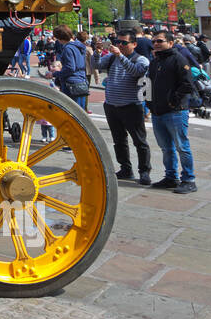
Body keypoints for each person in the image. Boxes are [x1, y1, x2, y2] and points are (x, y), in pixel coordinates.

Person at [147, 30, 198, 193]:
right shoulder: (155, 61)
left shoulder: (178, 59)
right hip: (158, 110)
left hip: (175, 111)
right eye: (154, 41)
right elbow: (148, 82)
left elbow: (187, 84)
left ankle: (189, 179)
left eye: (159, 41)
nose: (156, 44)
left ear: (170, 43)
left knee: (181, 146)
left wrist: (173, 100)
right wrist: (149, 102)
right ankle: (170, 177)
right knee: (166, 147)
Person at [99, 35, 152, 184]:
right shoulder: (111, 58)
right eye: (118, 42)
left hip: (131, 106)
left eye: (124, 42)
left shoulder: (141, 59)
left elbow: (136, 72)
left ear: (134, 44)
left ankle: (144, 171)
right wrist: (96, 52)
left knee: (139, 141)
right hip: (112, 106)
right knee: (119, 140)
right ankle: (126, 169)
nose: (120, 45)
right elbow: (96, 65)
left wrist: (119, 55)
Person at [51, 25, 89, 109]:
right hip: (82, 82)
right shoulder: (79, 47)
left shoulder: (68, 48)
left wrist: (55, 74)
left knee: (71, 114)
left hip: (71, 85)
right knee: (80, 114)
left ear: (60, 38)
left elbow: (70, 68)